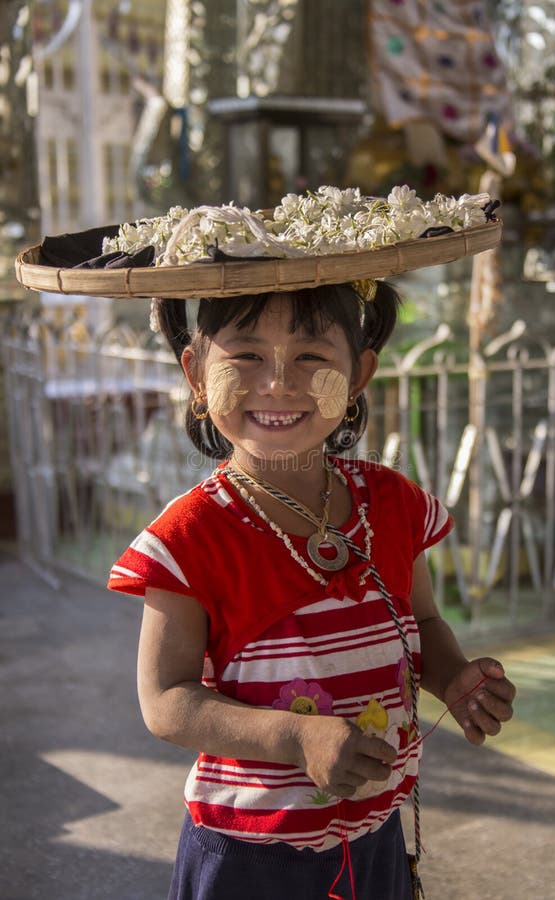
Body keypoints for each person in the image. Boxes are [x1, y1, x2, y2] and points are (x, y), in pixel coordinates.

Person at [107, 279, 516, 900]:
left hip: (375, 832)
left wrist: (454, 677)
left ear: (358, 376)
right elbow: (165, 701)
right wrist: (294, 738)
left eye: (311, 356)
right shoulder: (189, 539)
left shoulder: (395, 505)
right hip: (249, 855)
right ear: (195, 372)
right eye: (246, 356)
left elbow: (423, 624)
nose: (277, 382)